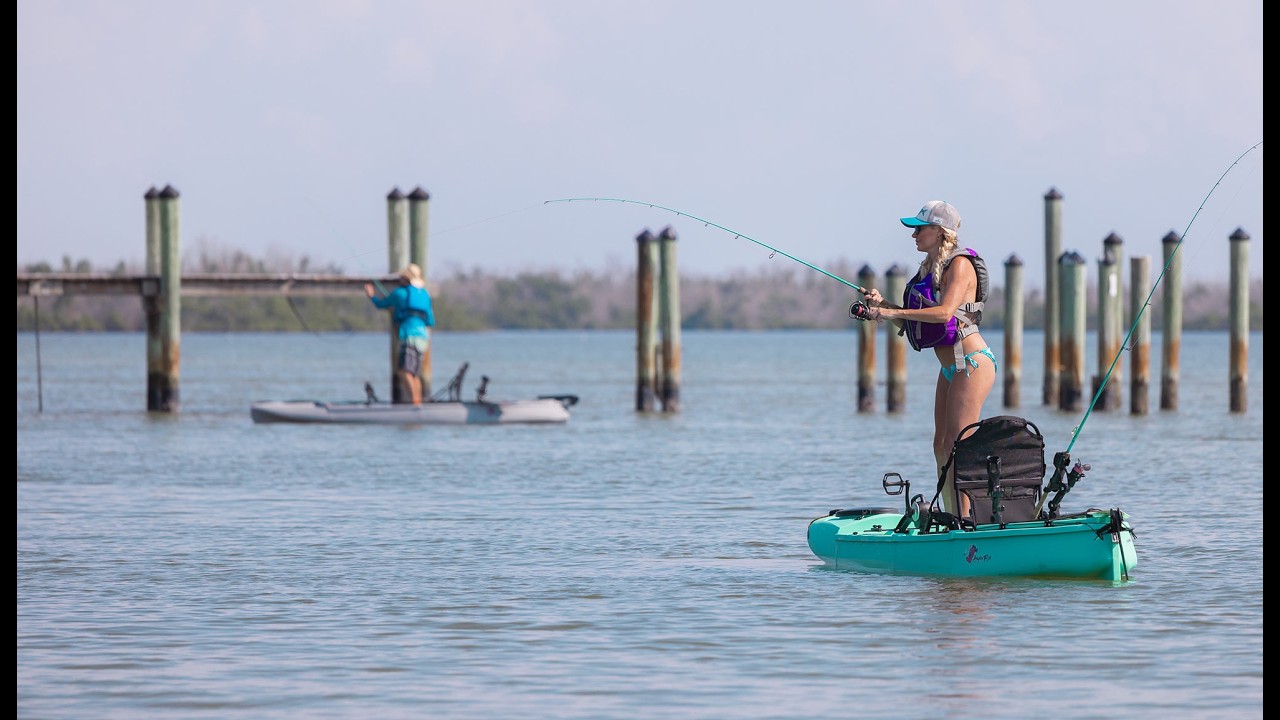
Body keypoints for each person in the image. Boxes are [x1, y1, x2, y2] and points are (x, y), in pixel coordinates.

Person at [851, 200, 997, 517]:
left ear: (938, 231)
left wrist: (890, 310)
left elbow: (944, 313)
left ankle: (967, 519)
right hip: (950, 369)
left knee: (959, 446)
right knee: (940, 445)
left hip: (971, 363)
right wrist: (882, 307)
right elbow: (915, 322)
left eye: (919, 229)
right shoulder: (929, 268)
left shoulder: (960, 265)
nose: (913, 235)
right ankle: (951, 515)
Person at [365, 263, 435, 405]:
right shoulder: (425, 295)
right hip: (423, 337)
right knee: (414, 373)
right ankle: (419, 403)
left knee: (404, 372)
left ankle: (415, 404)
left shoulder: (400, 293)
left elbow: (381, 304)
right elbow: (430, 321)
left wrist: (371, 296)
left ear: (405, 278)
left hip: (409, 335)